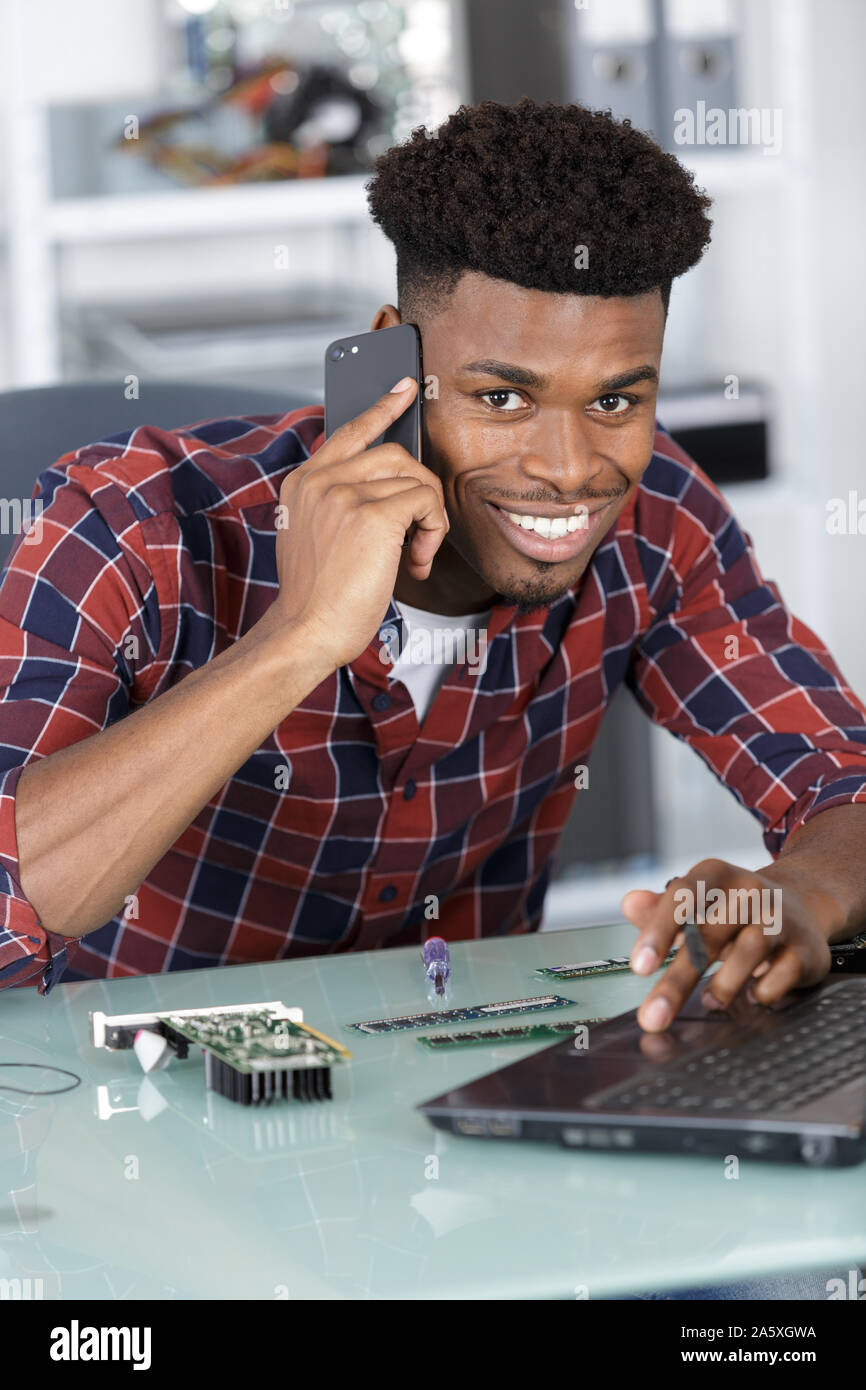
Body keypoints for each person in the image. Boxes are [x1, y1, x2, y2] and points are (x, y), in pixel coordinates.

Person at [1, 100, 865, 1050]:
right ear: (391, 365)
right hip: (132, 1119)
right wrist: (301, 636)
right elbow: (11, 899)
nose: (570, 466)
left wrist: (801, 894)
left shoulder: (659, 518)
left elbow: (842, 780)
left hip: (459, 1105)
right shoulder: (135, 523)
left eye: (617, 398)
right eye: (503, 397)